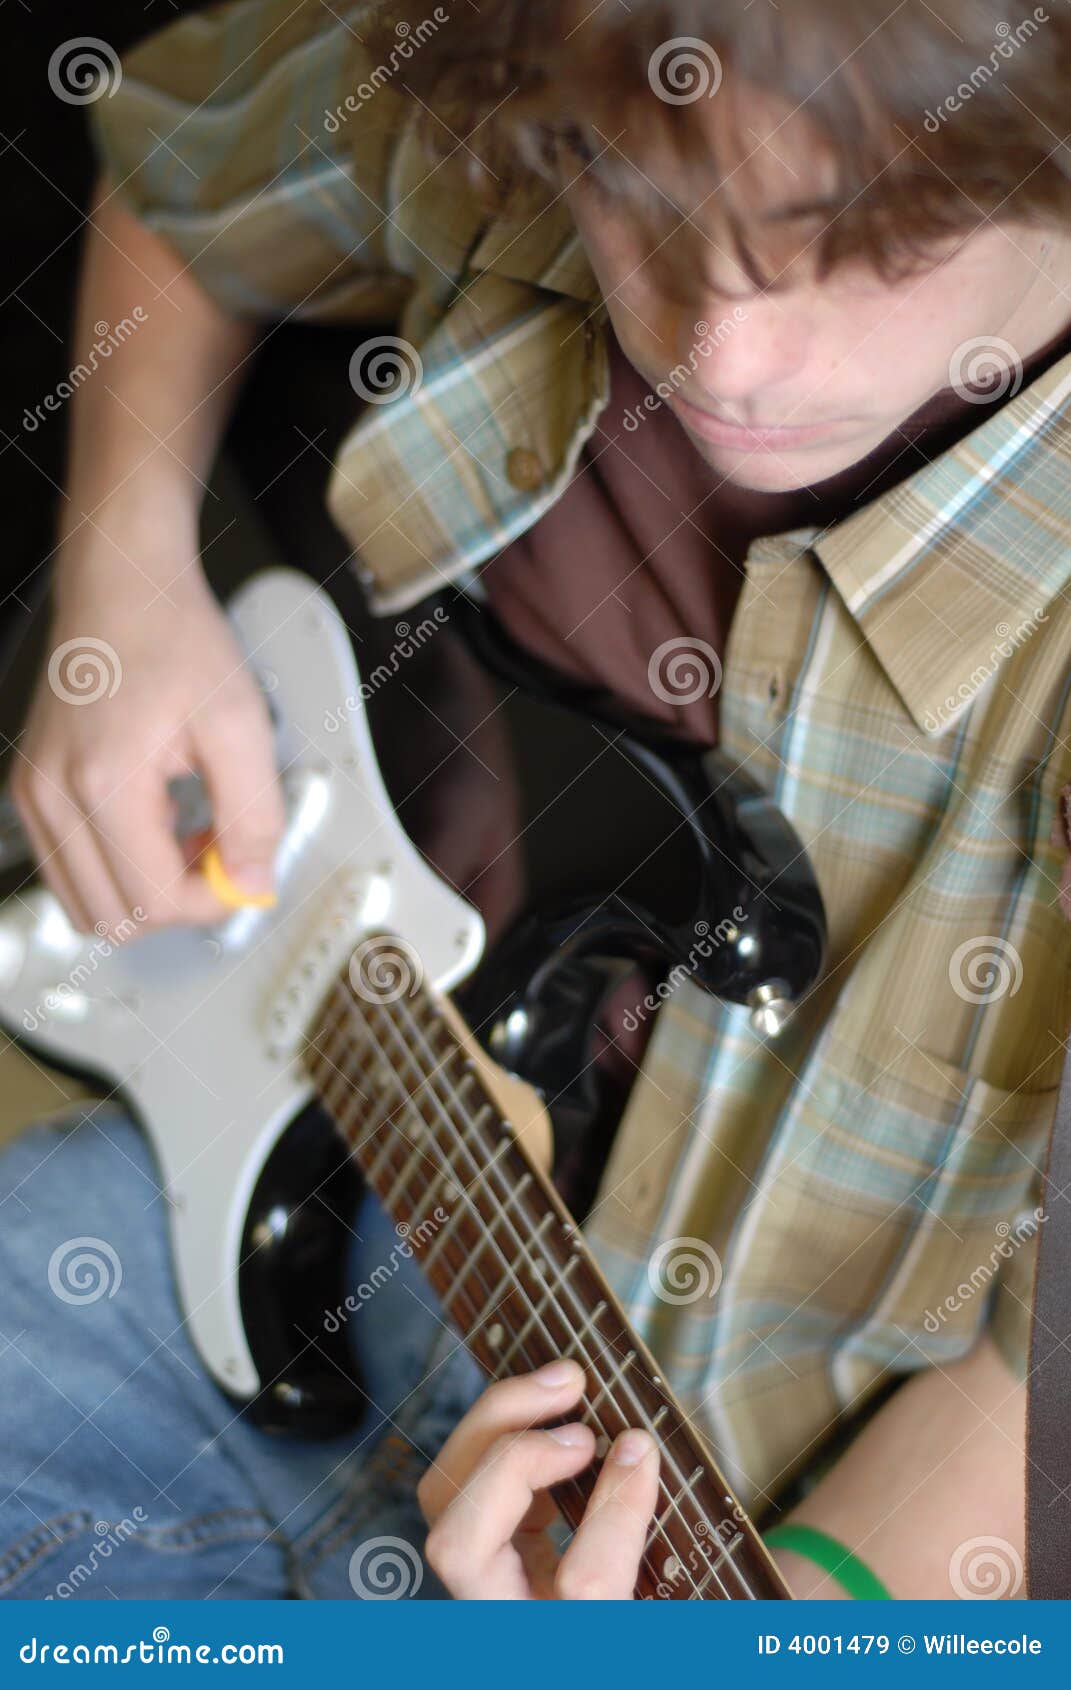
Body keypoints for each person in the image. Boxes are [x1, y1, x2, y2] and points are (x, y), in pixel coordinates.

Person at [3, 0, 1070, 1599]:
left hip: (787, 1496)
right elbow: (180, 172)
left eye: (860, 236)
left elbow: (1032, 1389)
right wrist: (123, 574)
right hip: (371, 1168)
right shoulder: (544, 74)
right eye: (631, 191)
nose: (723, 353)